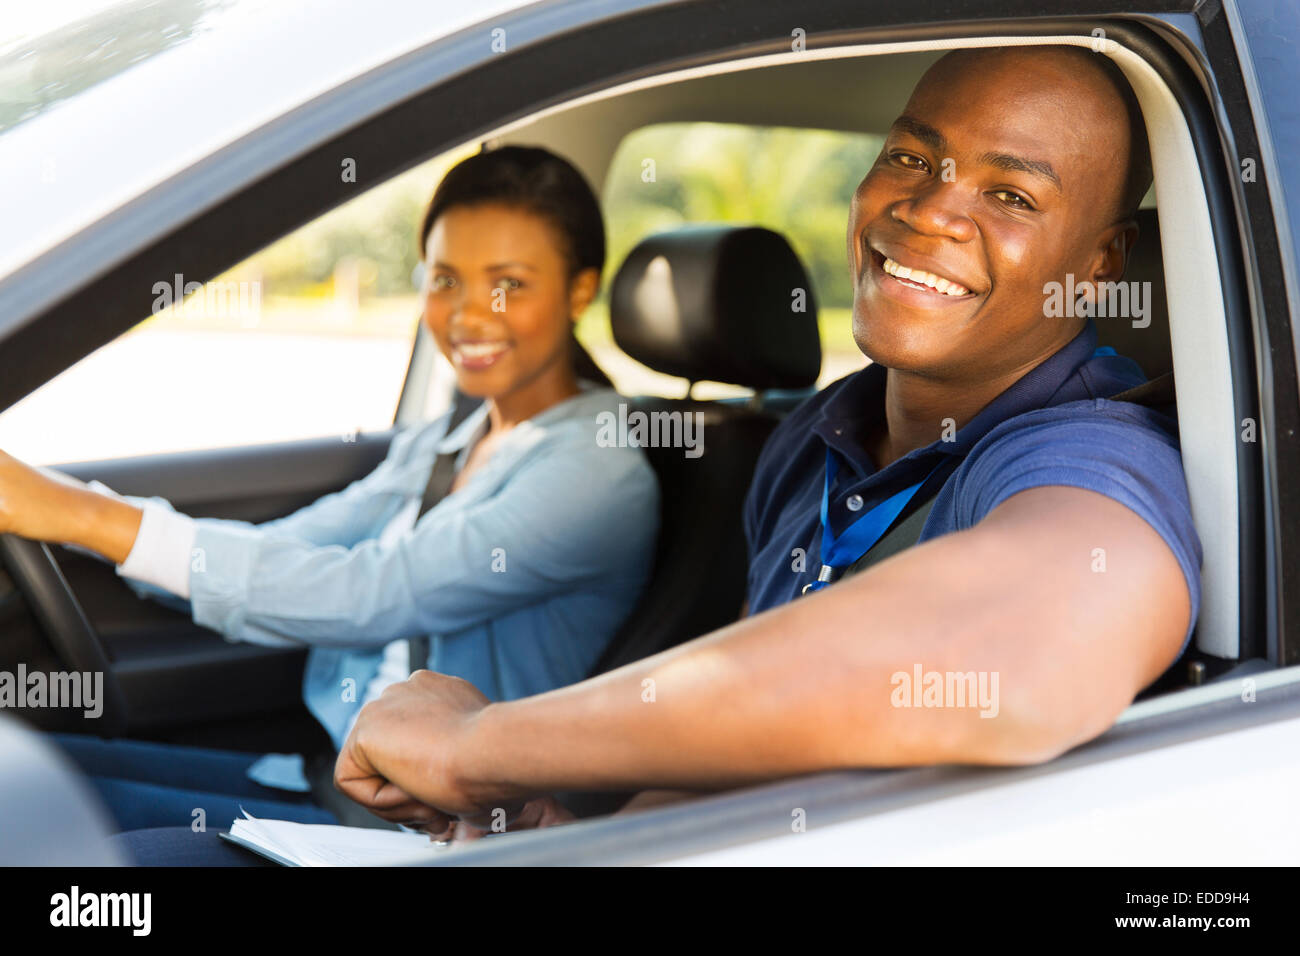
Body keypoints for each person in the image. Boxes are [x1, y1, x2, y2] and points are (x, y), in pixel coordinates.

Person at [331, 45, 1203, 840]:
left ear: (1099, 266)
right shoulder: (811, 439)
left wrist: (480, 745)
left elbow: (1015, 655)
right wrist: (568, 835)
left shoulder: (1100, 455)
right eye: (910, 157)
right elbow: (744, 760)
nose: (931, 210)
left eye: (1010, 195)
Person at [0, 145, 659, 837]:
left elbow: (371, 593)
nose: (467, 315)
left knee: (41, 824)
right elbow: (286, 549)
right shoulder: (450, 439)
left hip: (436, 834)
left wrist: (81, 516)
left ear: (581, 291)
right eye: (444, 280)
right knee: (35, 772)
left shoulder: (597, 472)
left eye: (509, 285)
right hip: (334, 779)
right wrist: (69, 509)